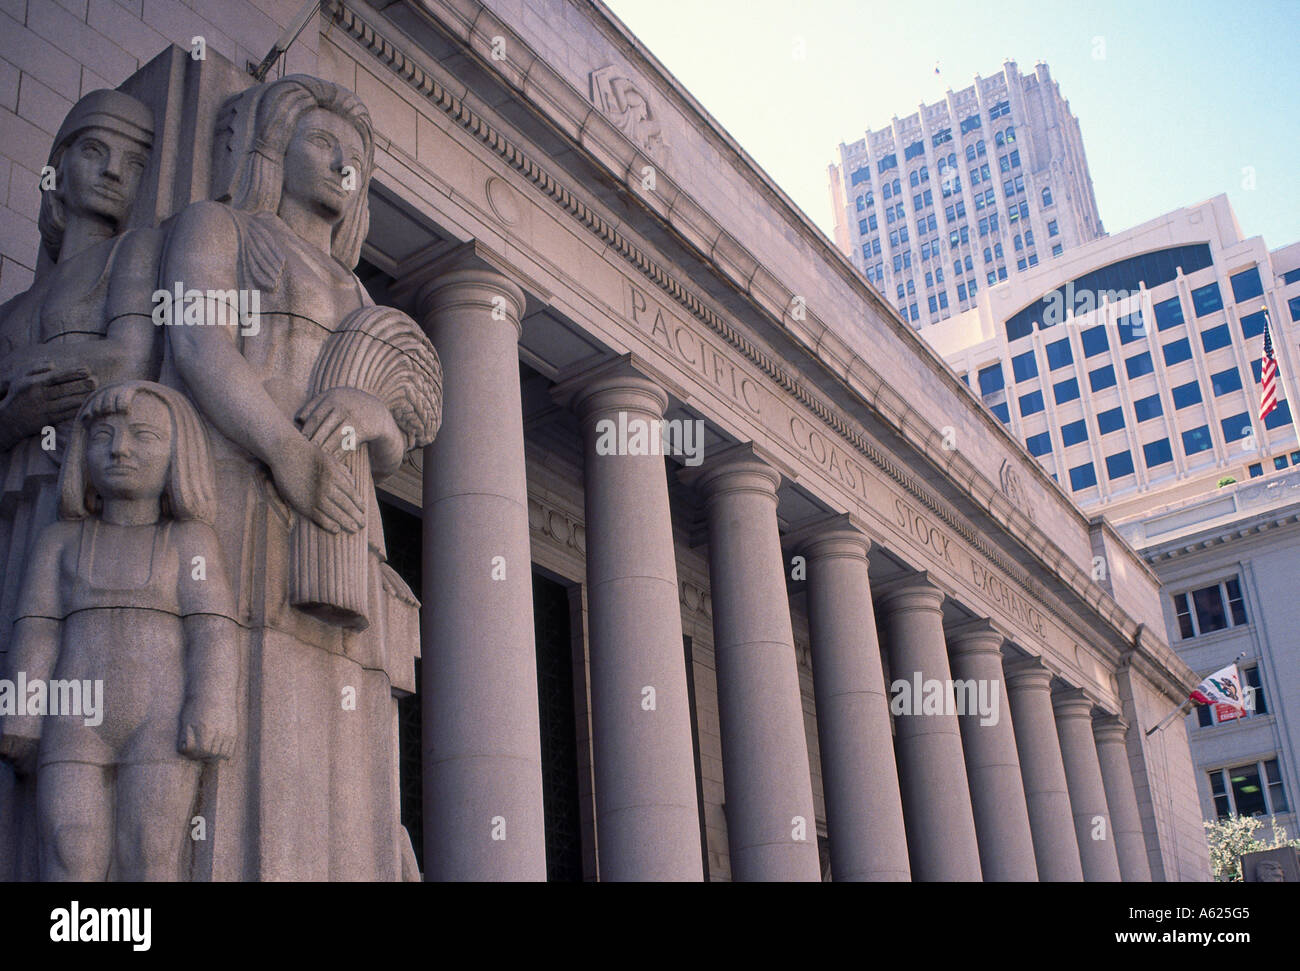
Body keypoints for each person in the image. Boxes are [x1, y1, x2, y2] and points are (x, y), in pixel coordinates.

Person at [159, 75, 434, 879]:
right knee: (251, 690)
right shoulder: (220, 228)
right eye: (324, 143)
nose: (343, 165)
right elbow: (197, 344)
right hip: (248, 483)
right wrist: (285, 452)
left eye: (357, 158)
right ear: (273, 151)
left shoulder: (357, 290)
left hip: (346, 522)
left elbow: (392, 433)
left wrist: (371, 414)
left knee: (352, 728)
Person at [0, 88, 161, 881]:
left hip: (69, 499)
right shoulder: (17, 307)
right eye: (95, 152)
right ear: (55, 169)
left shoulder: (131, 258)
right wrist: (17, 406)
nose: (113, 173)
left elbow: (129, 360)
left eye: (133, 163)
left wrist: (28, 390)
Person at [0, 381, 238, 880]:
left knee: (152, 854)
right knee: (68, 849)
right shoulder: (59, 541)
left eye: (144, 436)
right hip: (72, 719)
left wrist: (212, 703)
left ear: (179, 453)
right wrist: (21, 710)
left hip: (160, 720)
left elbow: (212, 631)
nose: (119, 449)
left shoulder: (191, 541)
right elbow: (38, 629)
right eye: (102, 436)